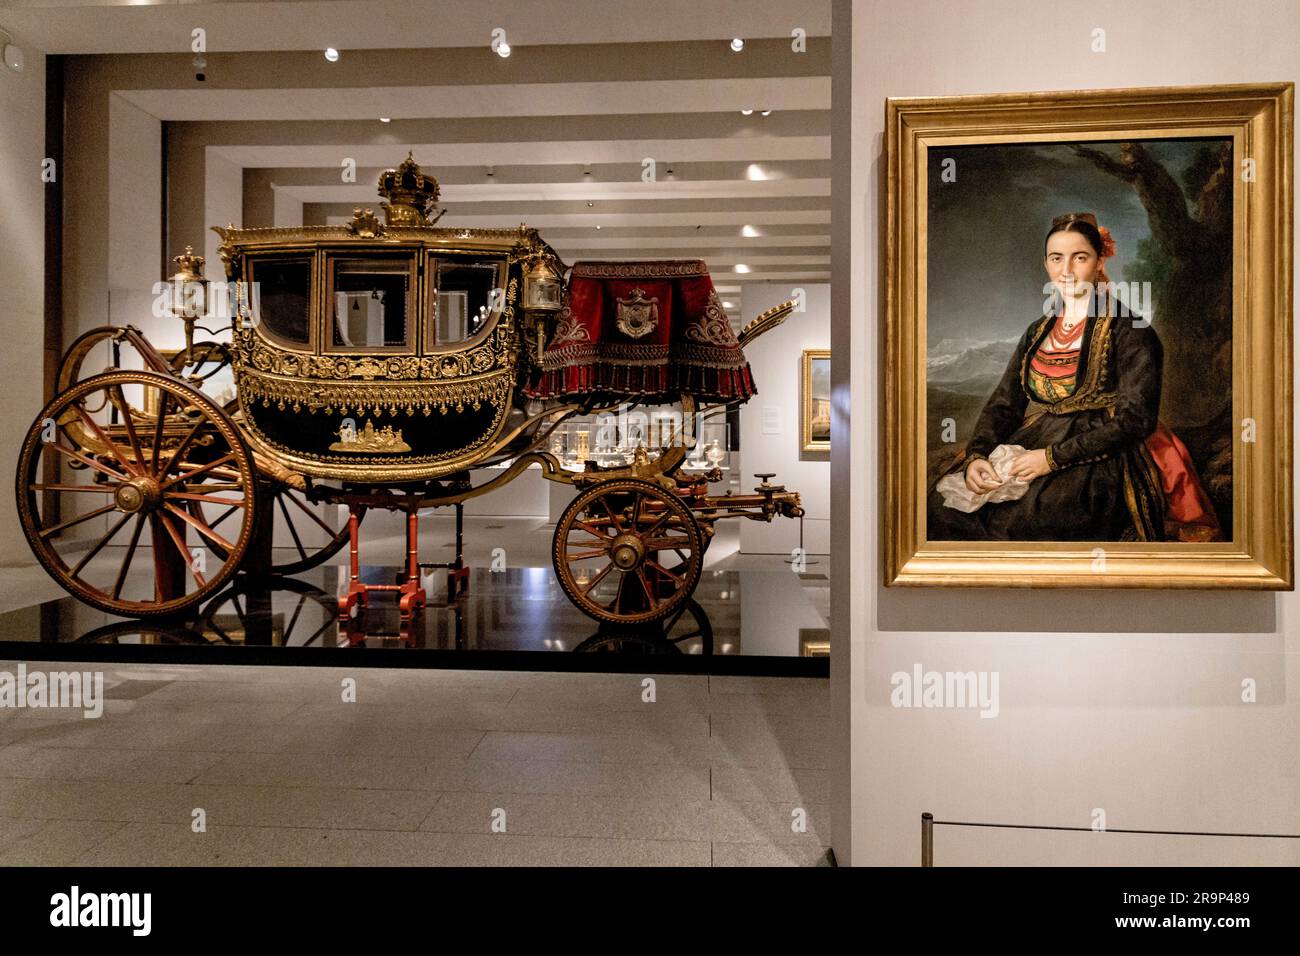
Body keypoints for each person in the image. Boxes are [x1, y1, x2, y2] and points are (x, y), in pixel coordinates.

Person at [927, 212, 1221, 542]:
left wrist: (1051, 459)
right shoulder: (1038, 331)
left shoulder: (1131, 330)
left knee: (1026, 519)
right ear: (1046, 265)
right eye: (1056, 258)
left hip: (1106, 448)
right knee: (942, 506)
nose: (1066, 271)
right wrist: (979, 455)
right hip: (1042, 435)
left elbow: (1136, 420)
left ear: (1098, 262)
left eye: (1079, 257)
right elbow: (1004, 403)